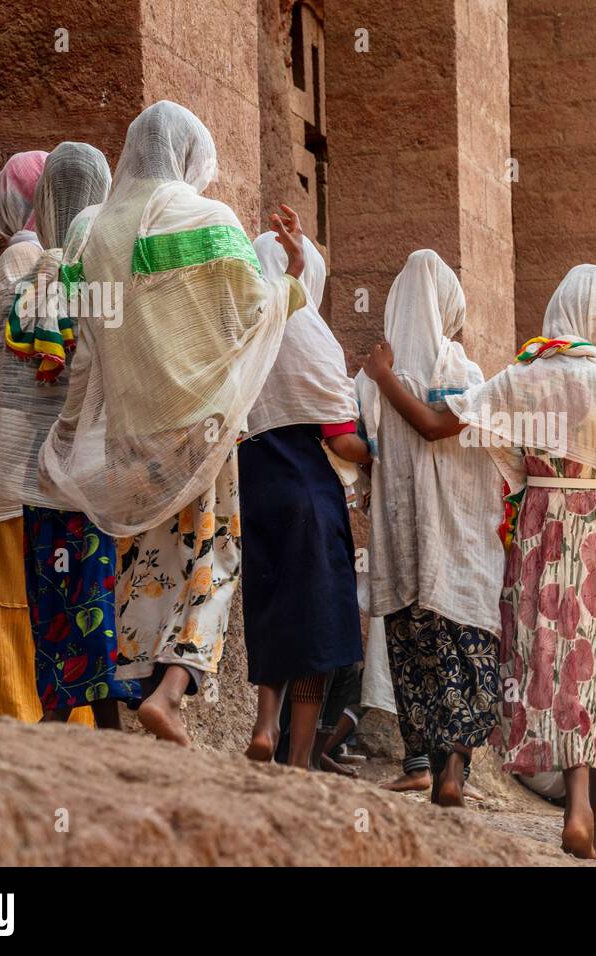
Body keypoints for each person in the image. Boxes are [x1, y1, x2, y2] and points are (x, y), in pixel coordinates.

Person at [36, 101, 308, 745]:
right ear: (187, 155)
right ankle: (168, 691)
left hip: (131, 433)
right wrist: (294, 278)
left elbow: (79, 337)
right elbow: (251, 316)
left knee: (146, 563)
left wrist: (75, 430)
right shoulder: (209, 219)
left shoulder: (92, 232)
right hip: (200, 431)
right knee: (212, 558)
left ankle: (138, 694)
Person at [374, 263, 596, 864]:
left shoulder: (518, 378)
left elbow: (433, 426)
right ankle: (595, 829)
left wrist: (384, 376)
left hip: (543, 531)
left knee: (557, 668)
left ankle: (577, 805)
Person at [0, 142, 137, 729]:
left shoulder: (30, 281)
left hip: (38, 473)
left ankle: (55, 711)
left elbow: (9, 387)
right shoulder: (103, 278)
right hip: (93, 472)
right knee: (95, 584)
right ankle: (105, 720)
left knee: (49, 588)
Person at [0, 149, 92, 726]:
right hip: (39, 471)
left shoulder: (20, 258)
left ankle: (7, 733)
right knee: (46, 609)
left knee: (6, 607)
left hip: (5, 475)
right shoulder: (54, 259)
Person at [358, 250, 505, 806]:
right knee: (463, 656)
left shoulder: (373, 380)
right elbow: (435, 429)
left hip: (404, 555)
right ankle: (452, 773)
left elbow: (364, 457)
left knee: (419, 661)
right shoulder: (458, 372)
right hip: (457, 550)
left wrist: (384, 377)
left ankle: (439, 770)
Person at [238, 231, 368, 769]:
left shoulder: (246, 325)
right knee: (316, 623)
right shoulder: (311, 334)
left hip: (252, 482)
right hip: (308, 489)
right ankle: (295, 758)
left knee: (271, 608)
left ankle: (265, 725)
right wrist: (380, 450)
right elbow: (341, 439)